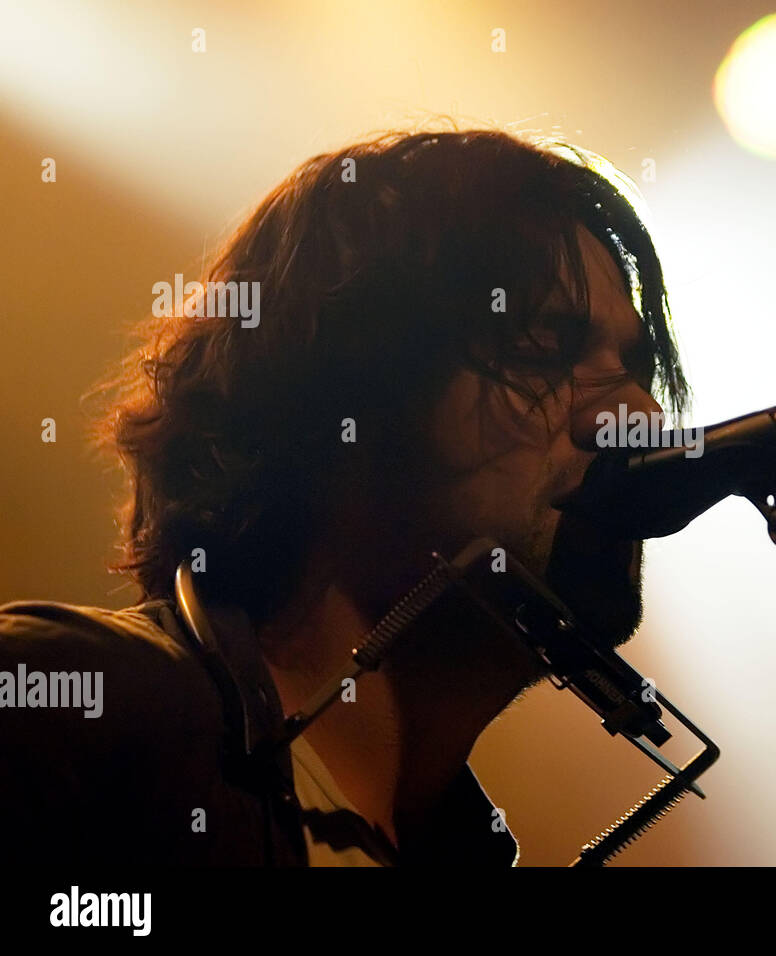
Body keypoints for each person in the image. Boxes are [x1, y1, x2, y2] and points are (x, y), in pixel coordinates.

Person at [0, 128, 690, 865]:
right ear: (345, 400)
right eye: (547, 344)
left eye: (635, 364)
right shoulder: (64, 713)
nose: (640, 419)